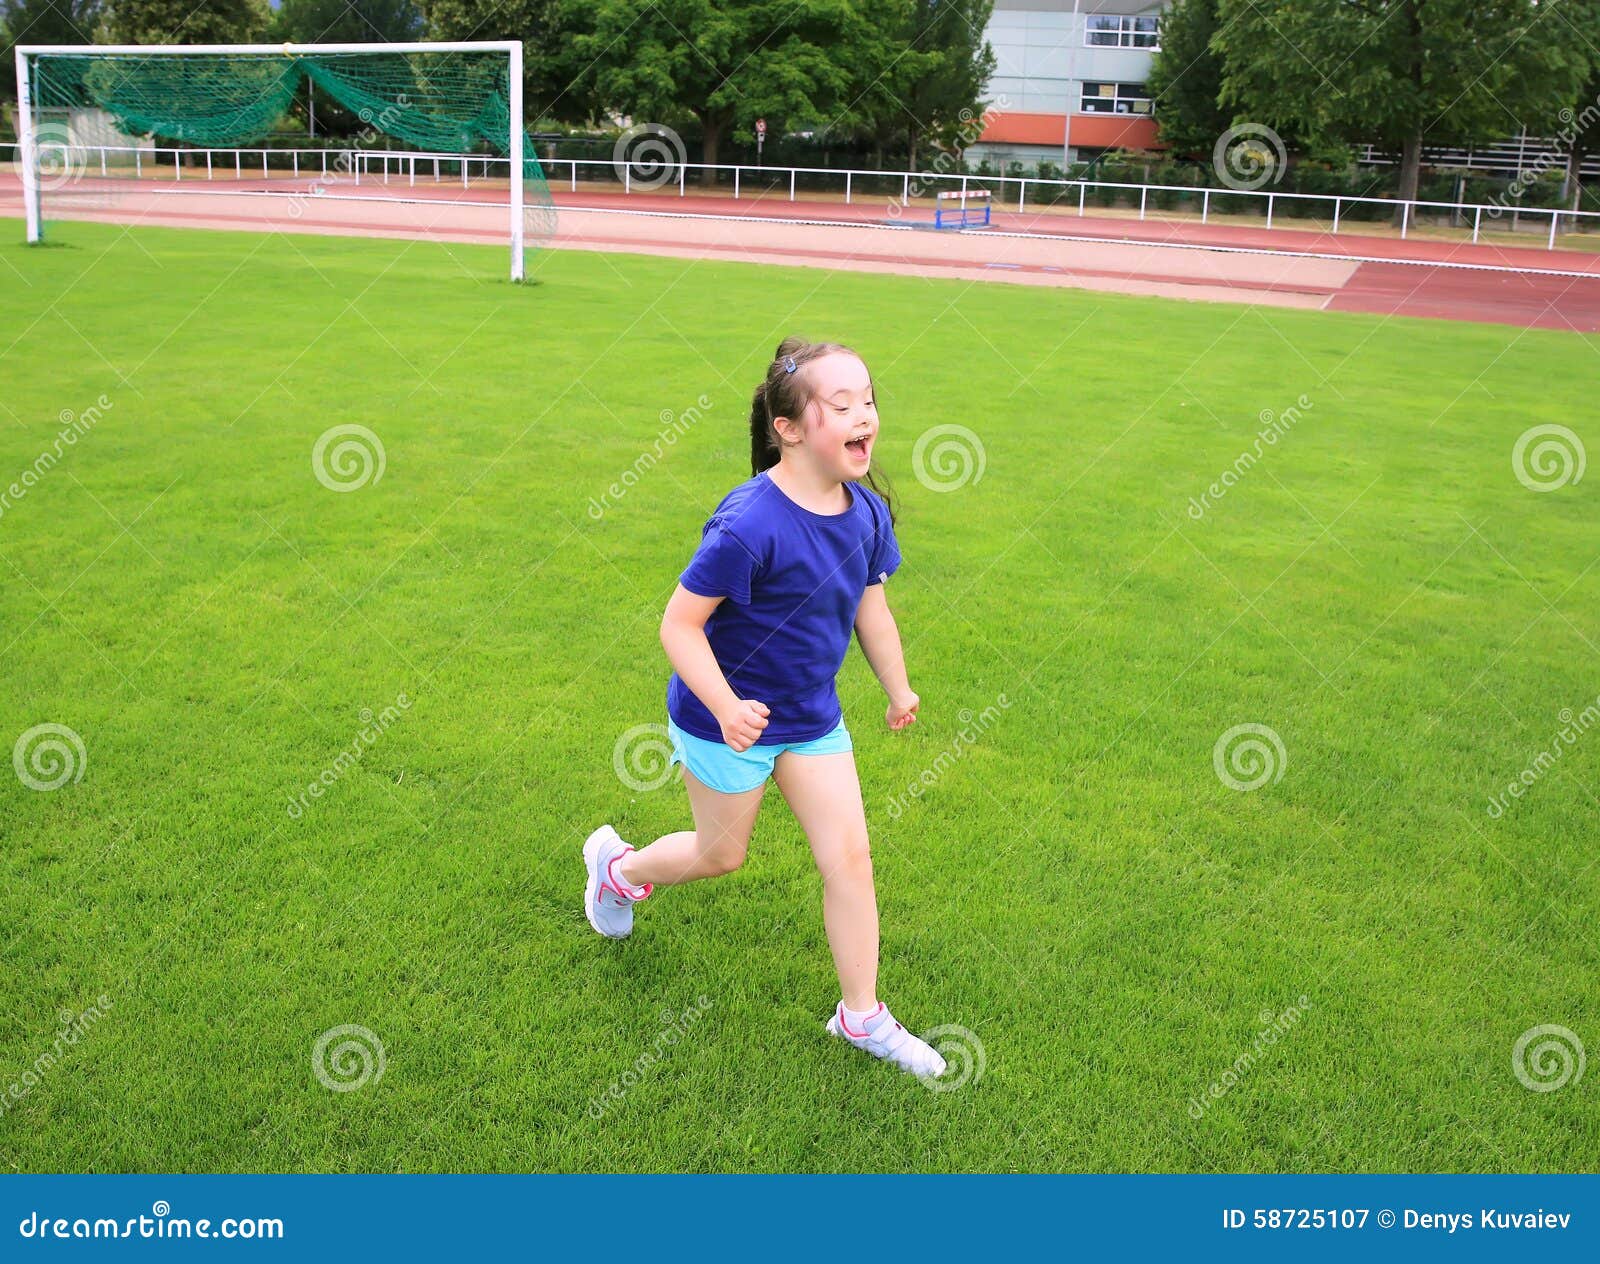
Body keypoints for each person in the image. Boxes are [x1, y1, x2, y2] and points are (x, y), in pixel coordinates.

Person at [583, 336, 946, 1077]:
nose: (864, 416)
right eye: (841, 404)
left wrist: (898, 687)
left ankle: (861, 1017)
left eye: (869, 400)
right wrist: (724, 706)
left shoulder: (867, 513)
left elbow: (870, 611)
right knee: (721, 855)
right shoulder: (750, 522)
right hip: (726, 719)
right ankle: (619, 871)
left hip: (812, 717)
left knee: (850, 859)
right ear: (788, 427)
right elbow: (678, 625)